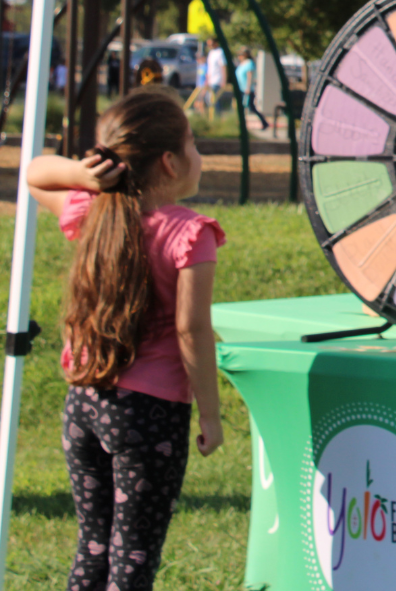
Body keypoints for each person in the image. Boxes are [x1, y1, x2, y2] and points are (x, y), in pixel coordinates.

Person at [27, 86, 225, 590]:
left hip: (83, 405)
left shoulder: (93, 213)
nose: (198, 155)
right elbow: (192, 328)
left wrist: (79, 175)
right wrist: (209, 411)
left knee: (92, 547)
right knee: (133, 557)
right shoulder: (190, 233)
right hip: (150, 415)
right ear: (169, 162)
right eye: (193, 144)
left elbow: (33, 174)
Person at [235, 48, 269, 131]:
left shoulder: (249, 63)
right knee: (243, 107)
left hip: (247, 90)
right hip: (240, 89)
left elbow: (249, 76)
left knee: (250, 107)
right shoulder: (242, 64)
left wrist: (248, 88)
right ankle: (241, 124)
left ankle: (264, 123)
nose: (239, 56)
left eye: (241, 54)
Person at [205, 39, 226, 113]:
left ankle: (218, 117)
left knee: (216, 101)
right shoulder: (211, 53)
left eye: (211, 44)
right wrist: (207, 80)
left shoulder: (220, 52)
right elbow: (209, 68)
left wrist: (224, 80)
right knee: (208, 99)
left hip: (217, 80)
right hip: (211, 80)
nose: (209, 46)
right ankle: (212, 117)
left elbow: (223, 66)